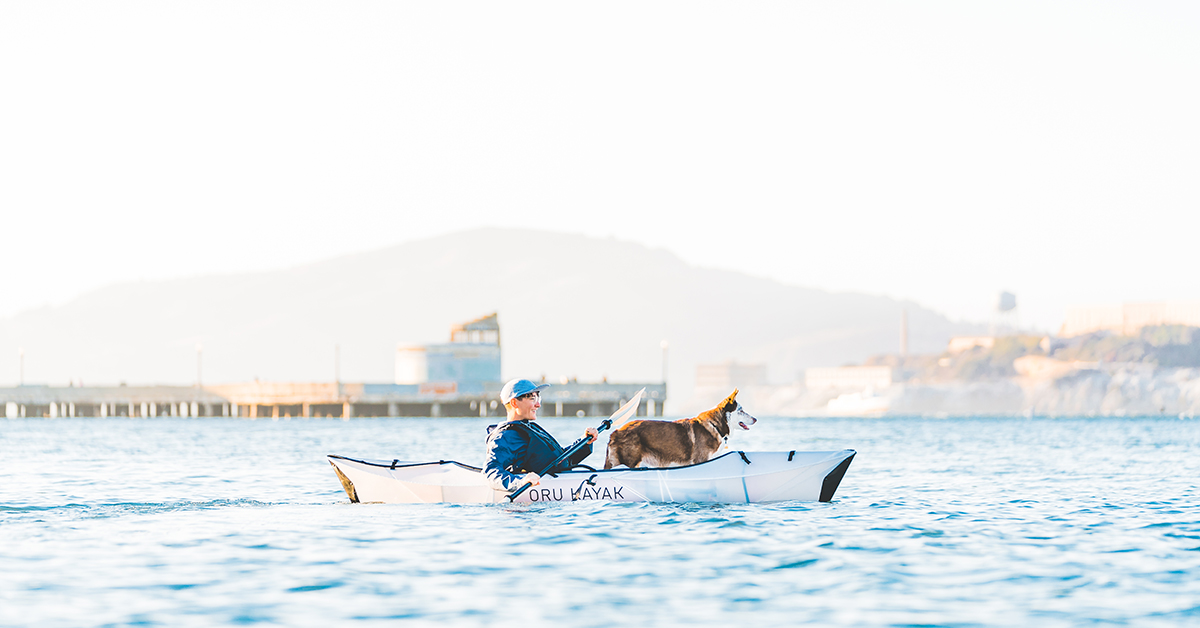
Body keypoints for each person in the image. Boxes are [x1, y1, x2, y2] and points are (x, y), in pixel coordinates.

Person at [483, 378, 599, 492]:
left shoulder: (530, 428)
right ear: (514, 403)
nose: (538, 405)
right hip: (530, 500)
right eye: (533, 399)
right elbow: (491, 472)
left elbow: (561, 461)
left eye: (538, 399)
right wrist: (520, 482)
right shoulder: (505, 437)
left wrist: (584, 442)